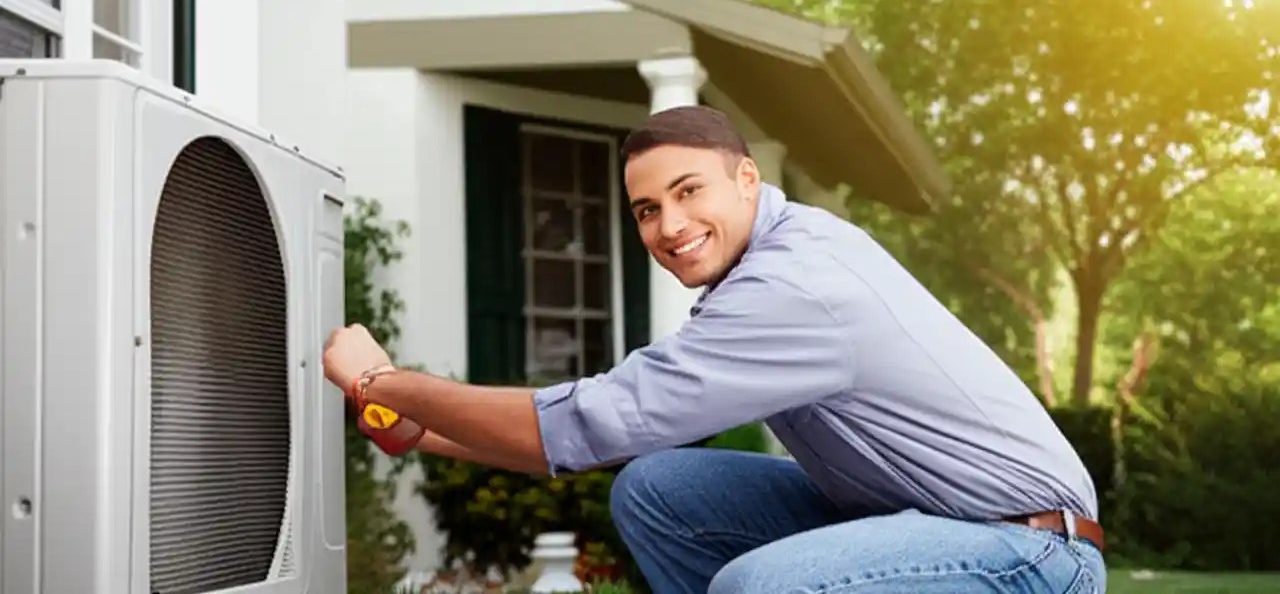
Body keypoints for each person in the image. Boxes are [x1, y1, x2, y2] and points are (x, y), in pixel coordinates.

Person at [323, 105, 1106, 593]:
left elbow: (586, 422)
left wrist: (384, 383)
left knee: (760, 587)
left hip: (1030, 551)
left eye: (689, 191)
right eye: (646, 209)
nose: (669, 226)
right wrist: (423, 433)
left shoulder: (794, 284)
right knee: (658, 489)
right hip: (925, 517)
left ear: (746, 179)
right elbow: (598, 436)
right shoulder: (768, 265)